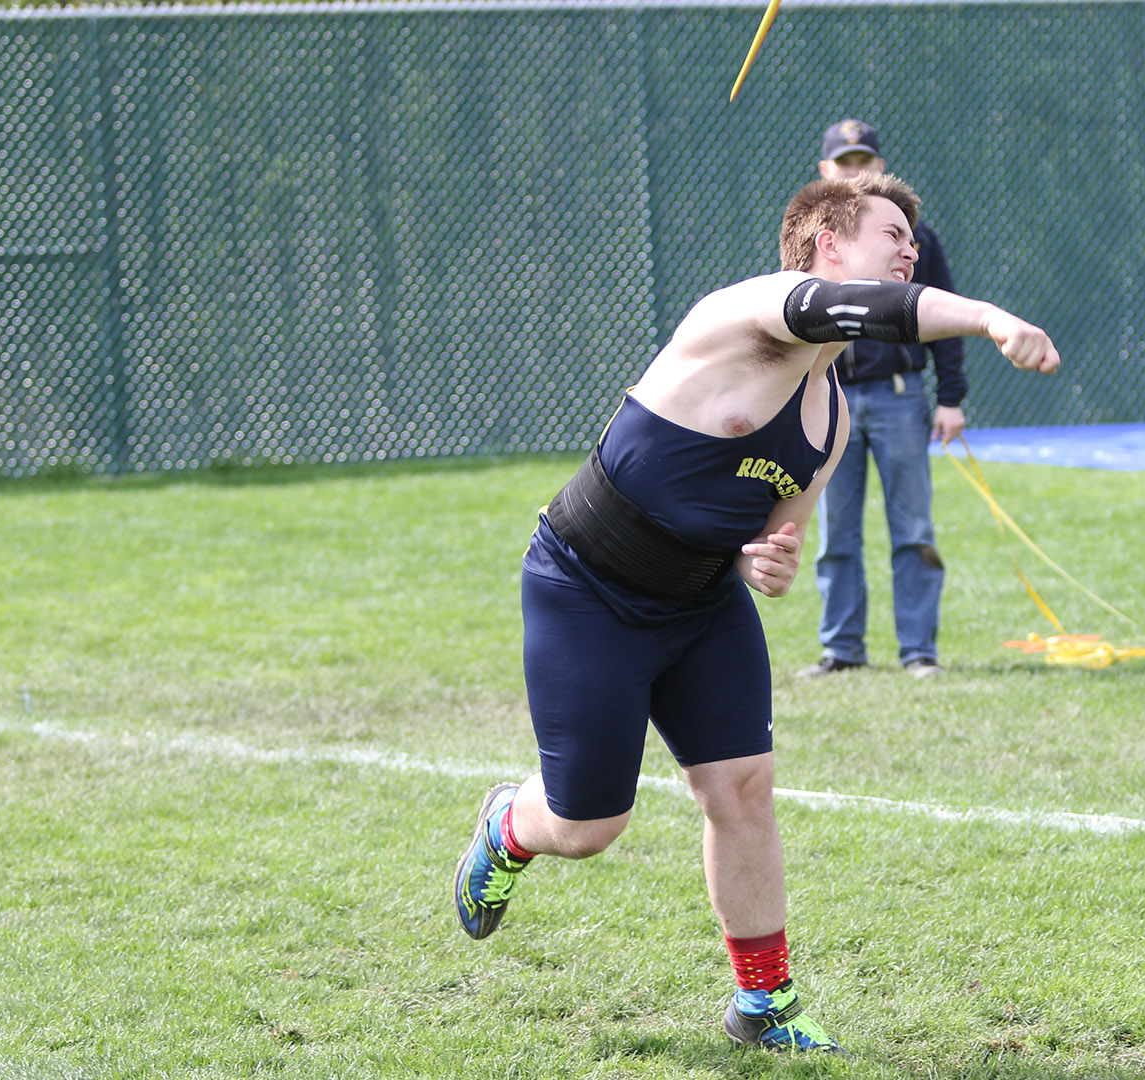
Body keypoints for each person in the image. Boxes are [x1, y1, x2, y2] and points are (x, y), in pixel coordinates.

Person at [451, 173, 1060, 1054]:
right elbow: (870, 308)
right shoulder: (752, 312)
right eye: (890, 232)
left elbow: (777, 548)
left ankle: (763, 1005)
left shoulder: (831, 417)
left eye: (912, 240)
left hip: (702, 602)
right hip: (587, 583)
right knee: (588, 826)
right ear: (826, 247)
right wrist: (990, 318)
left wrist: (769, 562)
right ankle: (511, 823)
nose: (909, 248)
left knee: (741, 789)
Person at [799, 119, 968, 680]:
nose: (856, 170)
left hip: (899, 399)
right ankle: (841, 650)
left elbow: (944, 314)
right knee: (835, 533)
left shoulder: (913, 239)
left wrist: (951, 398)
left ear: (879, 166)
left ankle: (919, 651)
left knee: (913, 529)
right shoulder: (814, 245)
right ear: (826, 172)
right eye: (844, 162)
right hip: (832, 400)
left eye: (864, 160)